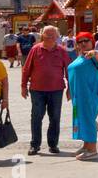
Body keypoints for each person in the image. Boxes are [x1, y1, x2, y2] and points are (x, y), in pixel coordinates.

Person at [21, 25, 70, 156]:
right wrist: (23, 86)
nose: (50, 37)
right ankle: (35, 145)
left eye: (53, 35)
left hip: (56, 90)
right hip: (37, 90)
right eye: (48, 35)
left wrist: (70, 89)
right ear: (42, 35)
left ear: (57, 37)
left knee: (55, 118)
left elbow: (68, 71)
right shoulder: (35, 49)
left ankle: (53, 144)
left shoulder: (62, 51)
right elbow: (26, 69)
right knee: (36, 117)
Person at [67, 32, 98, 159]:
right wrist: (69, 89)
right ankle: (86, 145)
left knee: (87, 118)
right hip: (78, 94)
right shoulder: (80, 57)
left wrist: (94, 52)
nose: (83, 43)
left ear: (92, 42)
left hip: (90, 93)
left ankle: (92, 150)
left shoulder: (93, 56)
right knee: (80, 118)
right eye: (80, 41)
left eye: (86, 40)